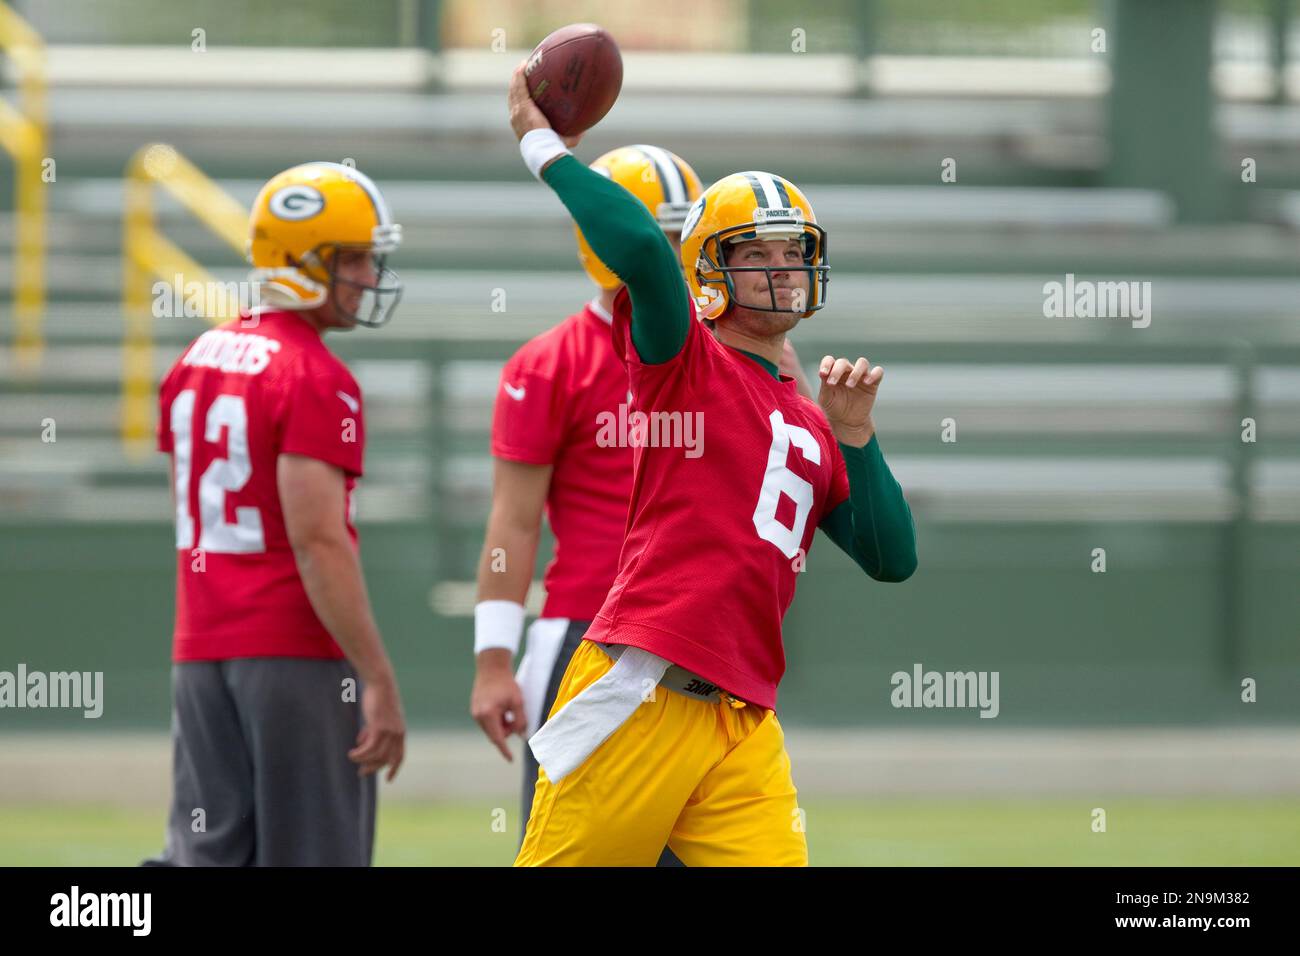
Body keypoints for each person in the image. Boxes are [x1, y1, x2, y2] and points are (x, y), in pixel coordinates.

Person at [506, 64, 918, 866]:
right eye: (753, 253)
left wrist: (857, 439)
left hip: (743, 716)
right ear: (707, 272)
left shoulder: (806, 415)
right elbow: (641, 253)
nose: (782, 270)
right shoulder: (684, 360)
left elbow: (892, 557)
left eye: (793, 254)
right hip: (642, 689)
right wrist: (542, 145)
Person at [146, 162, 406, 866]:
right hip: (293, 653)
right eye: (351, 257)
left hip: (200, 651)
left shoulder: (194, 358)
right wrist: (376, 675)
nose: (368, 276)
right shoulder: (314, 376)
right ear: (299, 260)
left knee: (207, 855)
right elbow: (318, 540)